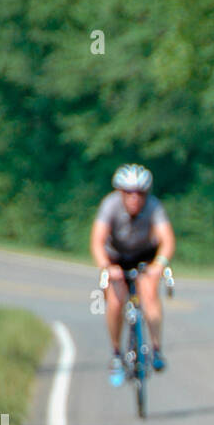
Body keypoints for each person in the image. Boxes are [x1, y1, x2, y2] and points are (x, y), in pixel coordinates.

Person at [90, 164, 176, 385]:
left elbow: (167, 240)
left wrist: (159, 264)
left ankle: (156, 349)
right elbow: (97, 241)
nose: (134, 198)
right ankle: (116, 354)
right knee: (116, 302)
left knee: (149, 294)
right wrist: (106, 267)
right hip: (116, 257)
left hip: (145, 256)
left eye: (140, 193)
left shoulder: (154, 207)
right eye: (129, 193)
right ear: (120, 193)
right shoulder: (110, 205)